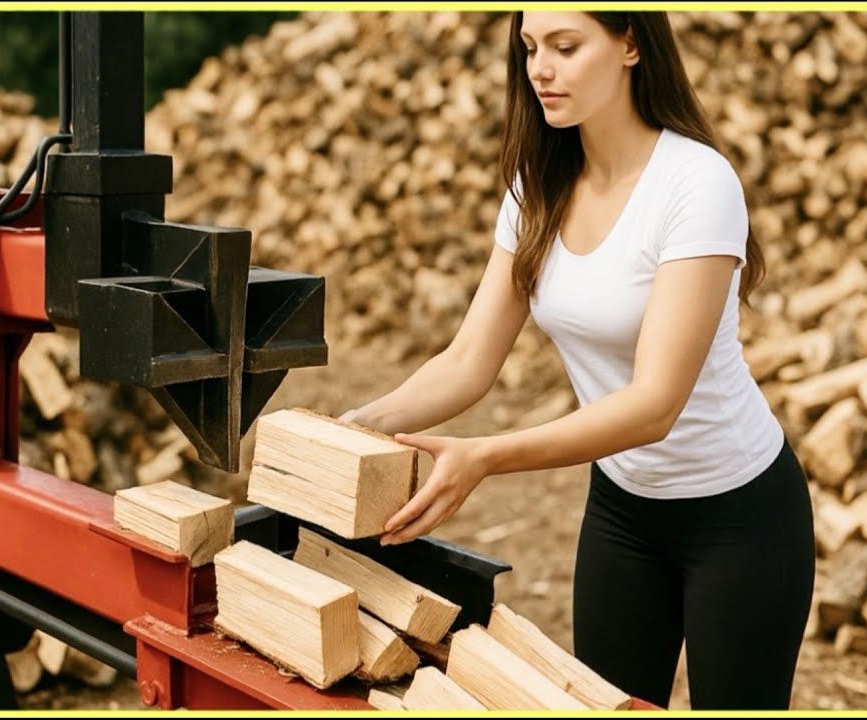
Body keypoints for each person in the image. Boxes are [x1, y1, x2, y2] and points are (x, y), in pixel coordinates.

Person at [339, 11, 815, 711]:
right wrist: (352, 424)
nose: (540, 69)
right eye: (531, 48)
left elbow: (656, 404)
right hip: (623, 515)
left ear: (630, 45)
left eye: (565, 47)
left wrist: (487, 456)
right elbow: (470, 359)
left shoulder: (696, 184)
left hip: (740, 521)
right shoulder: (537, 186)